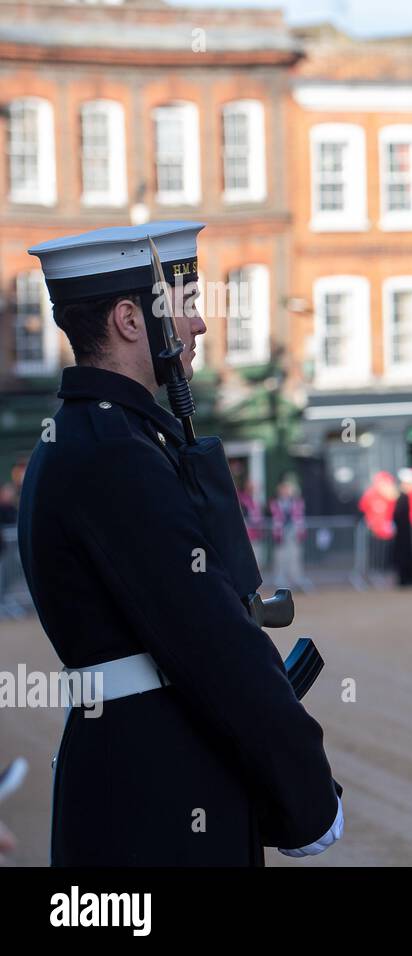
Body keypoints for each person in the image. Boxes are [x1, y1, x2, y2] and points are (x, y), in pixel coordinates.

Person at [19, 221, 342, 866]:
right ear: (130, 319)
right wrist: (309, 793)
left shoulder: (98, 440)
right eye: (184, 305)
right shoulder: (116, 453)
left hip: (135, 780)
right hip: (157, 797)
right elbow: (214, 641)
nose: (197, 325)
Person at [269, 474, 309, 592]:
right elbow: (276, 517)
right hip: (281, 535)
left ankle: (296, 579)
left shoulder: (297, 502)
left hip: (293, 534)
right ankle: (281, 581)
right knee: (280, 557)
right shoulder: (275, 503)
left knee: (295, 557)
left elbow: (299, 518)